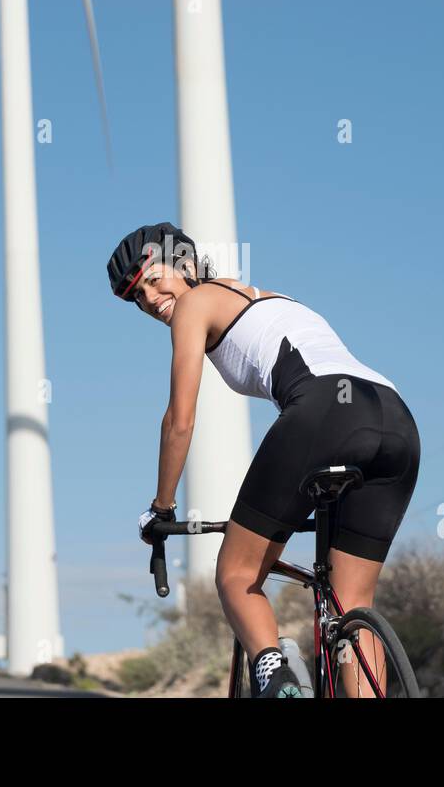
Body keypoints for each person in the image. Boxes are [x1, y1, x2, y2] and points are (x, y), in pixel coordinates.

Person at [107, 222, 421, 698]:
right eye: (136, 297)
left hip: (325, 414)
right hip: (396, 419)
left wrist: (162, 507)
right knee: (351, 601)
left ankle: (280, 677)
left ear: (186, 264)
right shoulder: (272, 298)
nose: (149, 299)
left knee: (236, 575)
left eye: (153, 279)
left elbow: (181, 419)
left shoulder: (197, 301)